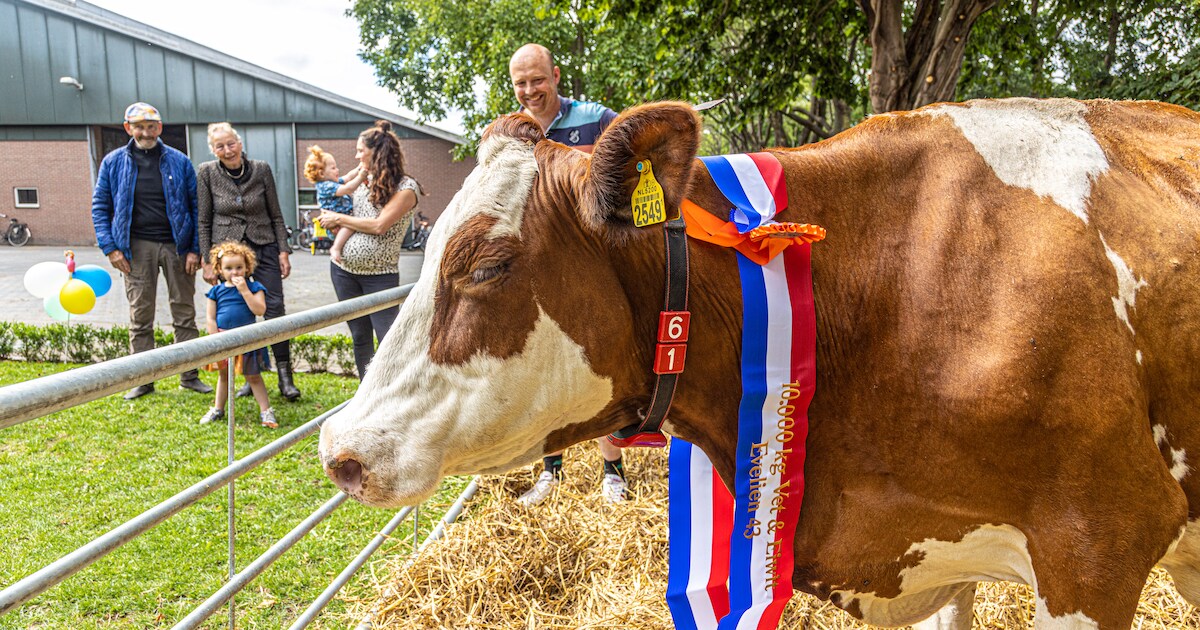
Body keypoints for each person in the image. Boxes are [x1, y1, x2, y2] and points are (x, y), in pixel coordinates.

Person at [508, 43, 628, 504]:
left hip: (597, 264)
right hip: (542, 270)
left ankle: (612, 471)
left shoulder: (597, 119)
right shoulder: (515, 130)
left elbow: (632, 163)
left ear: (555, 75)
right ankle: (550, 472)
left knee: (606, 364)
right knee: (543, 371)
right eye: (520, 82)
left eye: (537, 79)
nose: (529, 90)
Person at [91, 101, 213, 400]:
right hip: (134, 249)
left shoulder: (179, 161)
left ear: (159, 128)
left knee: (184, 313)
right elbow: (100, 206)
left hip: (177, 247)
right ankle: (142, 379)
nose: (145, 132)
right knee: (140, 315)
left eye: (151, 126)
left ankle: (189, 375)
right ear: (128, 128)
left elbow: (197, 207)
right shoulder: (113, 162)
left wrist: (195, 249)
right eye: (138, 127)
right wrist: (110, 248)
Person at [196, 122, 301, 401]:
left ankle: (284, 375)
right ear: (213, 149)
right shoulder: (206, 172)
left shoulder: (261, 169)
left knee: (274, 309)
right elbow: (204, 219)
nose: (227, 150)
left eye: (231, 143)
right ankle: (246, 374)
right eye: (220, 146)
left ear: (240, 144)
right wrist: (208, 261)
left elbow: (276, 214)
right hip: (228, 255)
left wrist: (283, 251)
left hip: (264, 248)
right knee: (238, 313)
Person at [317, 120, 422, 380]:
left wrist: (338, 219)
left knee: (388, 339)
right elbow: (342, 197)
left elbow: (379, 225)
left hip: (381, 276)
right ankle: (365, 393)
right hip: (344, 272)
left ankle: (393, 393)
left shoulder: (407, 188)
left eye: (359, 150)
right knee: (359, 336)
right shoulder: (365, 180)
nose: (356, 156)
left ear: (377, 152)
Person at [198, 241, 277, 429]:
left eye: (239, 267)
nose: (235, 272)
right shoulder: (216, 291)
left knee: (254, 376)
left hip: (247, 340)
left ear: (247, 267)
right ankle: (218, 408)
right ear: (220, 269)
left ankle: (266, 411)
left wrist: (244, 291)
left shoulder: (255, 287)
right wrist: (214, 337)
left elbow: (259, 310)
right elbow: (210, 318)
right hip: (223, 340)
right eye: (229, 268)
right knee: (224, 376)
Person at [303, 145, 366, 264]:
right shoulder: (326, 186)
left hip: (340, 219)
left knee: (351, 225)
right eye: (333, 168)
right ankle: (335, 248)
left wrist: (358, 168)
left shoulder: (332, 182)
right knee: (350, 225)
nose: (337, 170)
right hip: (337, 224)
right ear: (321, 173)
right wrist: (361, 177)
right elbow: (348, 188)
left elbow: (348, 177)